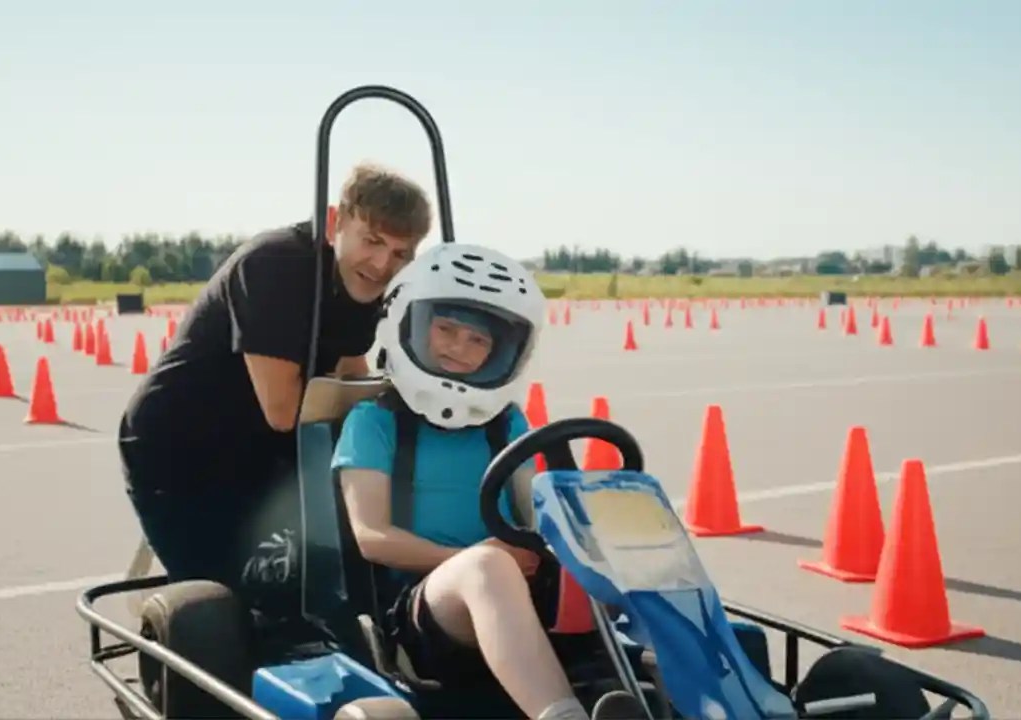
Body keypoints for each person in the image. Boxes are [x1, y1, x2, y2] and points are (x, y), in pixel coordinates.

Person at [332, 243, 646, 720]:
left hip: (513, 593)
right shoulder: (374, 422)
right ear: (410, 326)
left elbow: (540, 510)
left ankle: (680, 690)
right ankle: (562, 715)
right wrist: (478, 558)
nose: (460, 348)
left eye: (478, 341)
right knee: (486, 569)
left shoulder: (506, 423)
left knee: (628, 544)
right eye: (446, 330)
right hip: (417, 615)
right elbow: (372, 537)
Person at [118, 163, 432, 605]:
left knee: (328, 585)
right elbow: (283, 410)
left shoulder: (365, 282)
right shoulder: (275, 265)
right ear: (333, 222)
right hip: (182, 451)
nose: (383, 264)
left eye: (401, 253)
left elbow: (350, 371)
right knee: (236, 605)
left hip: (268, 448)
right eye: (373, 241)